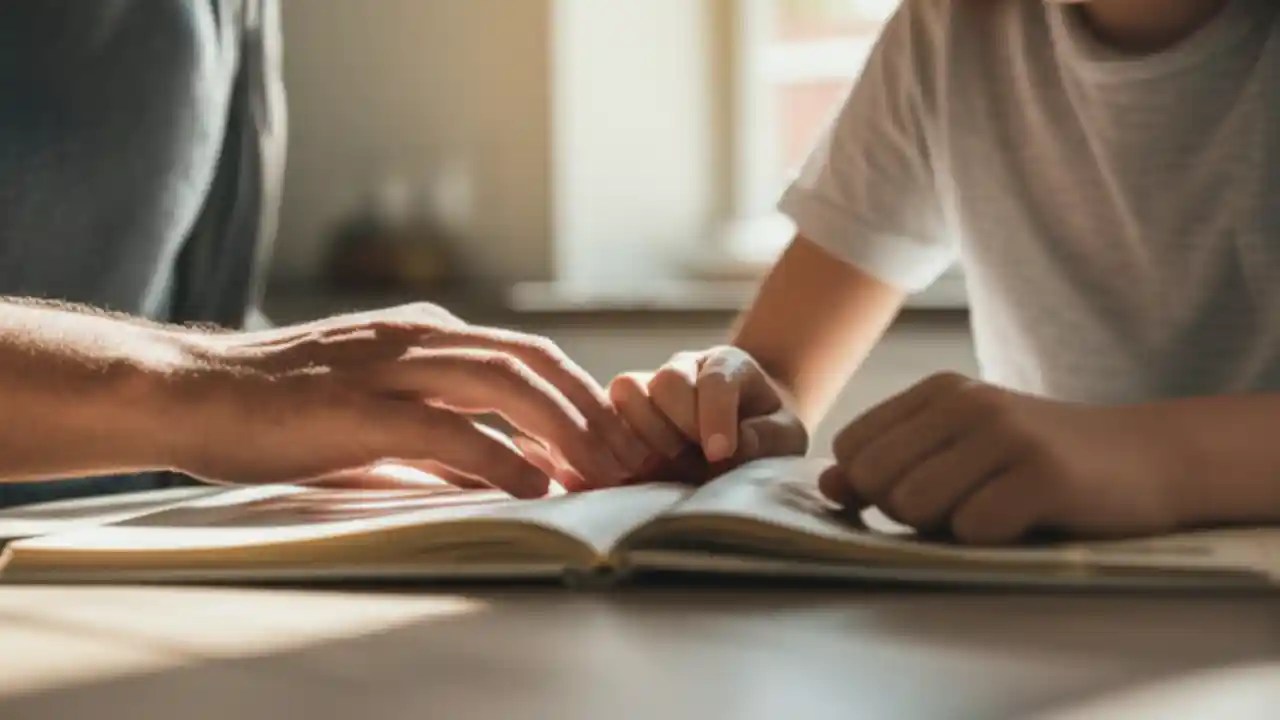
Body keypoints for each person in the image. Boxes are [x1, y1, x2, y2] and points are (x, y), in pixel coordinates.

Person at [611, 0, 1280, 545]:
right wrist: (725, 411)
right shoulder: (953, 27)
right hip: (1044, 602)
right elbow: (778, 372)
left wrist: (1143, 460)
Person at [0, 1, 649, 507]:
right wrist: (196, 387)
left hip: (110, 567)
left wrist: (342, 433)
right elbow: (199, 376)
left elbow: (183, 313)